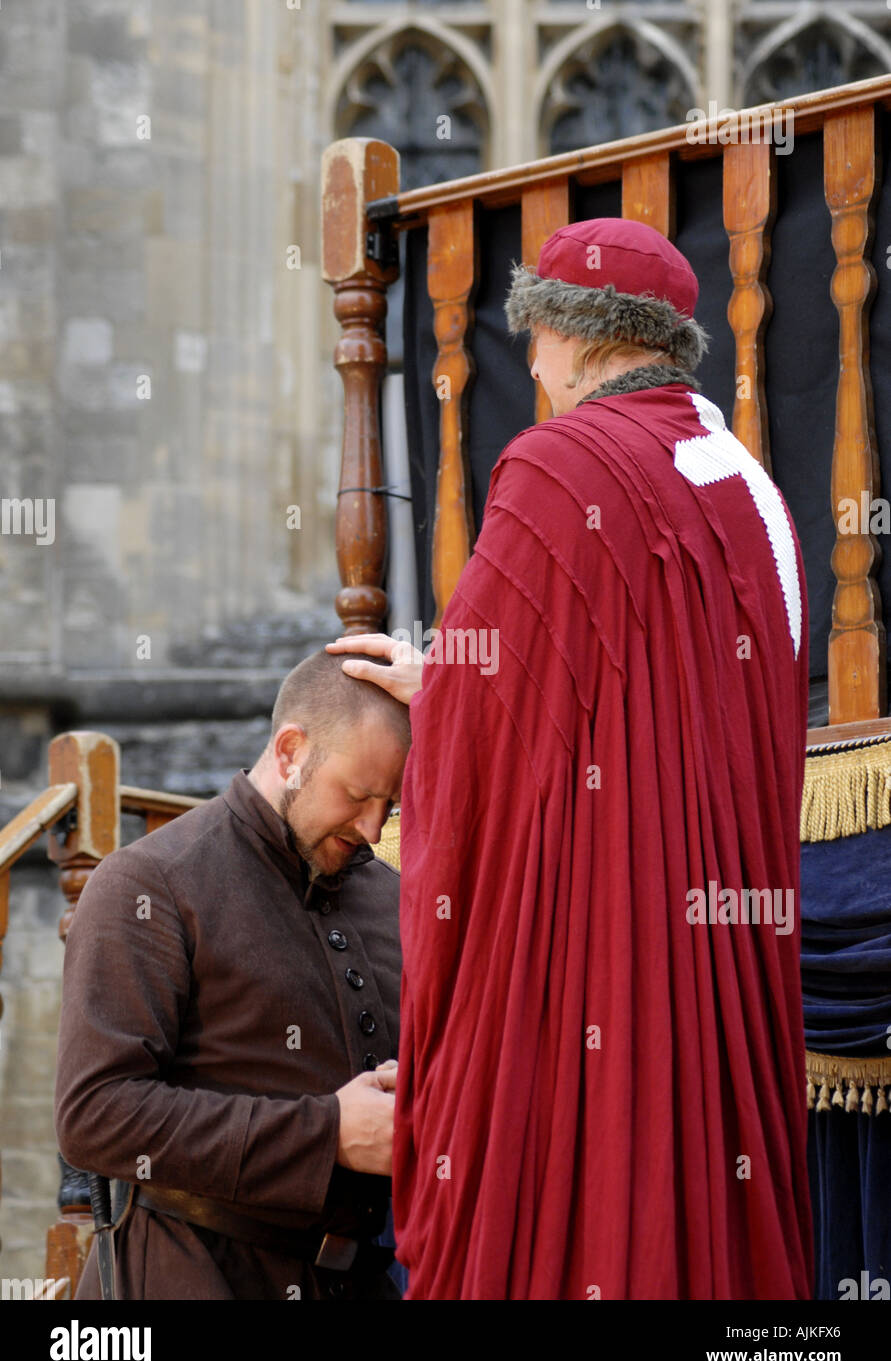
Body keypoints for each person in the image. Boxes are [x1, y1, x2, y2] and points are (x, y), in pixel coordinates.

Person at [327, 217, 814, 1300]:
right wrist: (446, 677)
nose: (531, 364)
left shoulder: (560, 464)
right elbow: (611, 688)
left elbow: (503, 744)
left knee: (586, 1220)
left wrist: (433, 710)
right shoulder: (754, 489)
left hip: (604, 952)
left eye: (534, 336)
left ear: (574, 332)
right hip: (732, 961)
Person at [55, 651, 409, 1300]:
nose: (369, 827)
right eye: (358, 795)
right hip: (188, 1275)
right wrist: (326, 1132)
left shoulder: (395, 899)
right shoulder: (149, 882)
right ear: (291, 750)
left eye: (387, 805)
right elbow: (95, 1115)